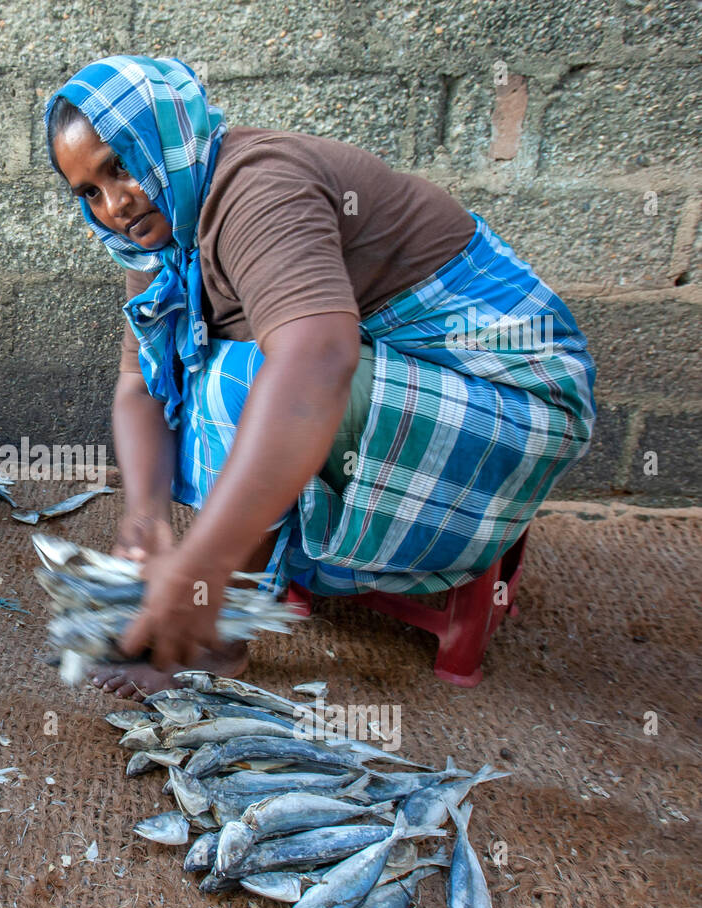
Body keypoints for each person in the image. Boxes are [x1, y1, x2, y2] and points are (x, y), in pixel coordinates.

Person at [41, 55, 596, 700]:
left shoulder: (257, 188)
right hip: (414, 377)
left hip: (516, 395)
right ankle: (247, 587)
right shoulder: (162, 238)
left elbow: (316, 364)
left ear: (165, 134)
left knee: (247, 381)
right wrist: (144, 520)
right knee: (193, 373)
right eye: (89, 191)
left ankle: (219, 636)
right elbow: (139, 384)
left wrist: (202, 569)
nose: (115, 203)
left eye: (121, 165)